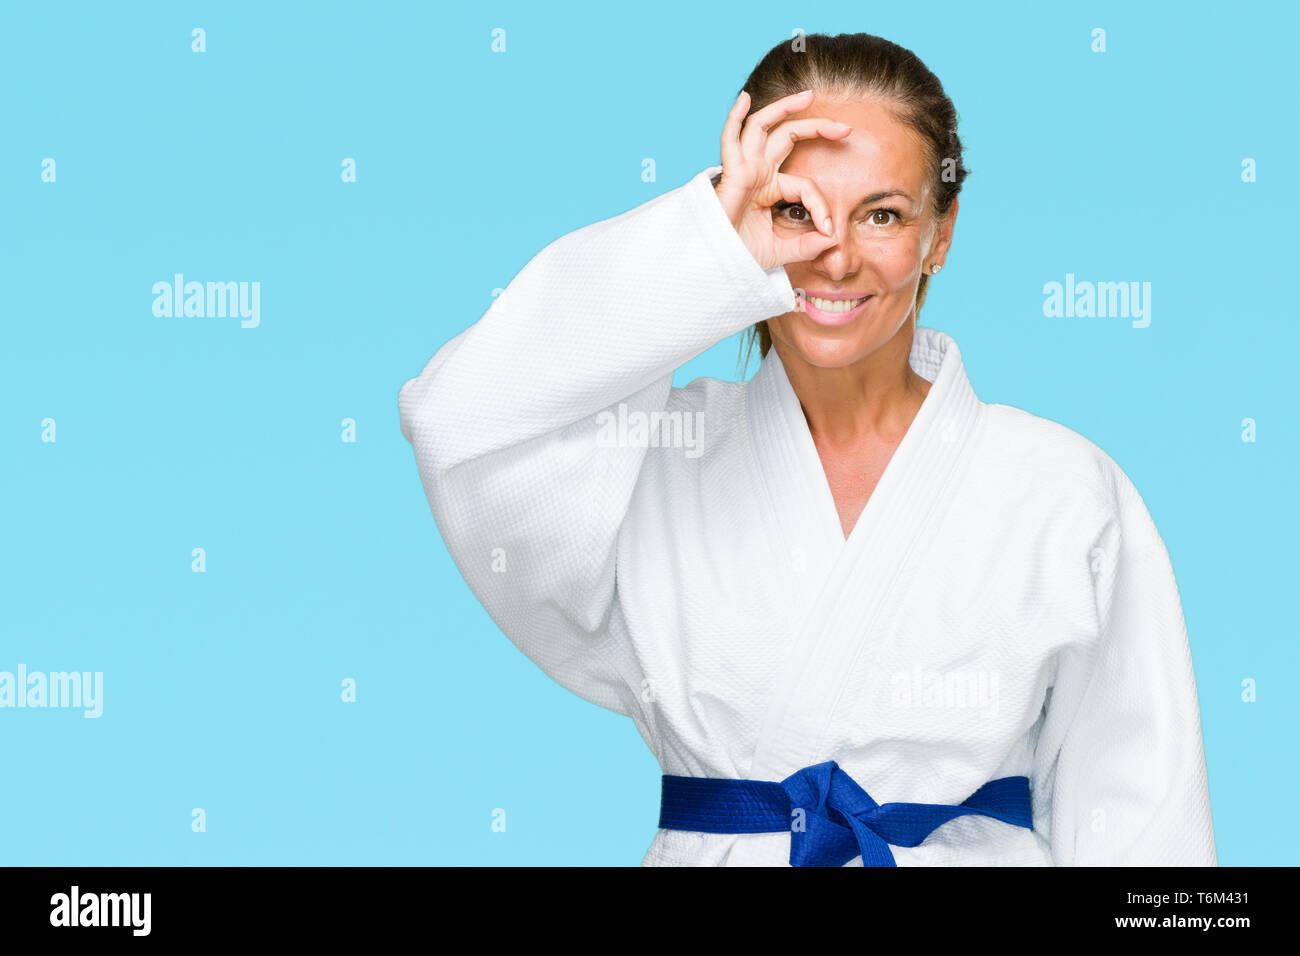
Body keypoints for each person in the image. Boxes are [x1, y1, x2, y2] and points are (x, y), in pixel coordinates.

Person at [398, 32, 1216, 866]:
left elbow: (1150, 830)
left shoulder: (1065, 491)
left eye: (884, 214)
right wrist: (708, 244)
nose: (837, 255)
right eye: (795, 212)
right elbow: (459, 421)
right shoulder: (651, 462)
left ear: (940, 233)